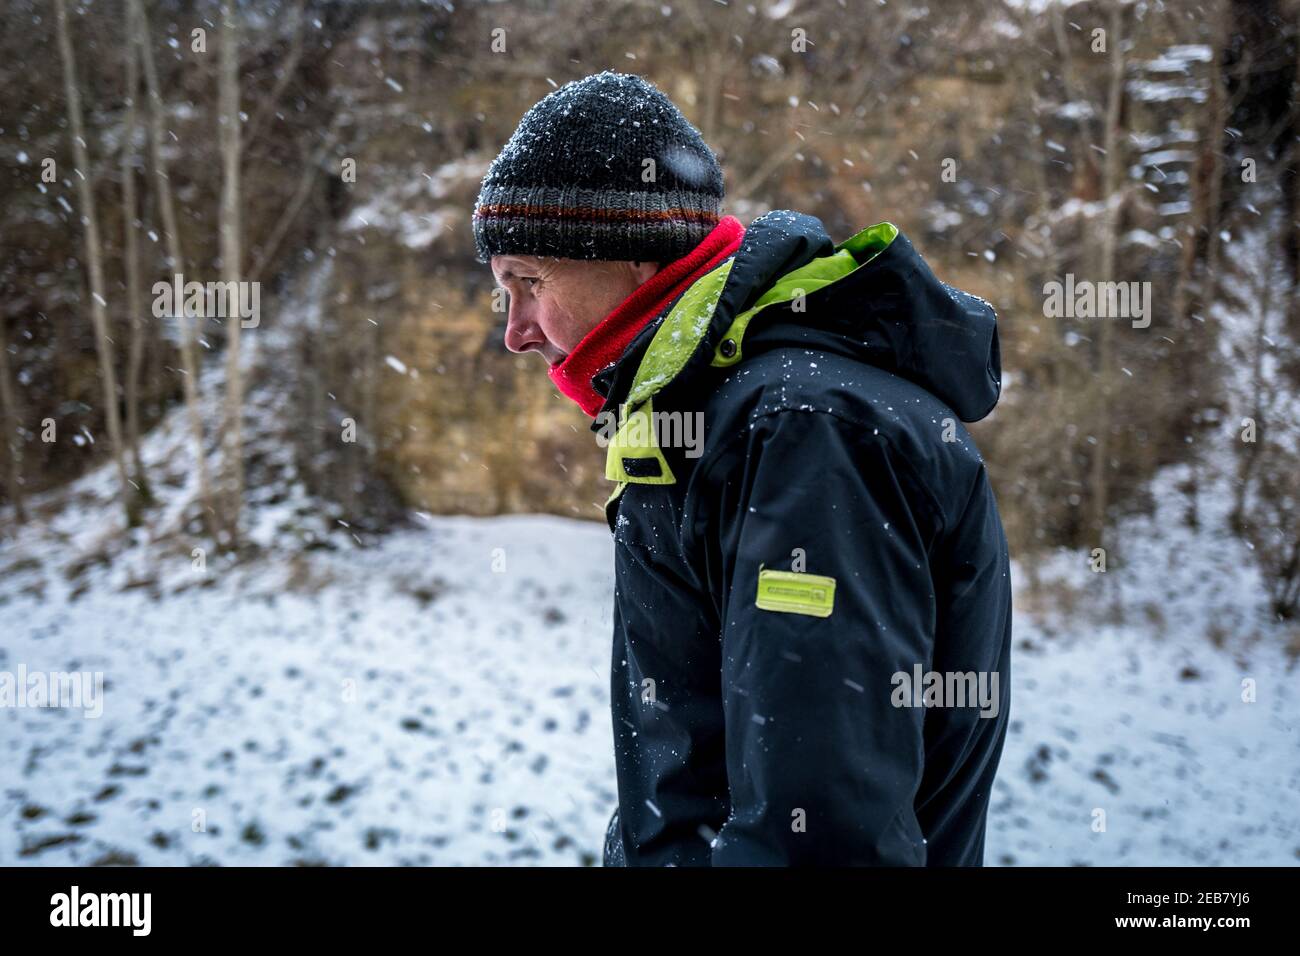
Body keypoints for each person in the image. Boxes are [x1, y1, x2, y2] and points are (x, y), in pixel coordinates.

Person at [472, 71, 1012, 866]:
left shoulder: (803, 433)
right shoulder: (712, 413)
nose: (515, 332)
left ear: (632, 256)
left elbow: (821, 835)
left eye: (529, 283)